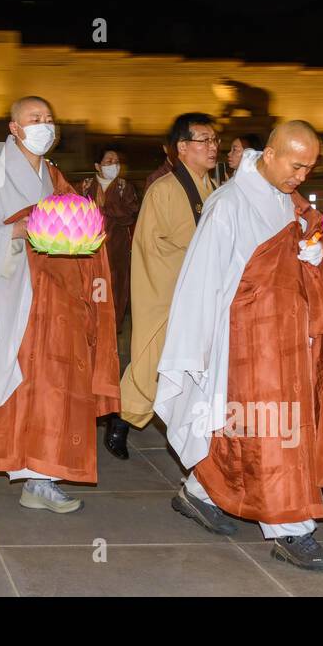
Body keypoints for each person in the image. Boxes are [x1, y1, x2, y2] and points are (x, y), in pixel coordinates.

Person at [155, 122, 323, 571]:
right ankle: (292, 528)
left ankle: (198, 493)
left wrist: (314, 259)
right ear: (269, 153)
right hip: (248, 343)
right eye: (296, 165)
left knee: (243, 431)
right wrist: (195, 351)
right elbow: (201, 281)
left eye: (309, 168)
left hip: (289, 337)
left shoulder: (288, 202)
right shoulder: (229, 204)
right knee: (274, 433)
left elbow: (296, 254)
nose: (302, 176)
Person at [0, 96, 121, 513]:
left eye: (49, 119)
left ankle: (40, 478)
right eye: (34, 119)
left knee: (49, 387)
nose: (44, 126)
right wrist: (16, 231)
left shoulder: (56, 177)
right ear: (14, 128)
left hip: (53, 300)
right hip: (8, 295)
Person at [105, 114, 216, 460]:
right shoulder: (163, 190)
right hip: (169, 292)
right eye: (204, 140)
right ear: (182, 147)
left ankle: (193, 427)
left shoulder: (214, 188)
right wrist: (195, 261)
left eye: (215, 141)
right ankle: (120, 418)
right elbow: (150, 248)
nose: (213, 147)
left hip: (203, 293)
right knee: (153, 360)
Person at [78, 146, 139, 330]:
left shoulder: (124, 187)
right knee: (91, 286)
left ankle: (113, 325)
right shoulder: (86, 186)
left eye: (116, 162)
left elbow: (130, 213)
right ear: (98, 166)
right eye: (108, 162)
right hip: (91, 249)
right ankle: (91, 325)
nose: (114, 165)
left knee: (117, 287)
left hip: (117, 248)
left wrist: (103, 210)